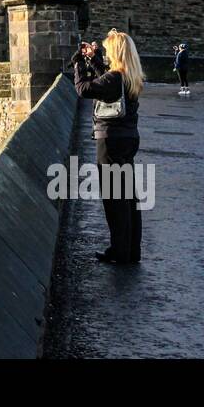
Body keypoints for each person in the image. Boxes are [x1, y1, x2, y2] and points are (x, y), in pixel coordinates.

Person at [69, 29, 145, 265]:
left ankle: (119, 252)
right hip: (128, 138)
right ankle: (131, 251)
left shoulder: (115, 79)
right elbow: (108, 86)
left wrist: (79, 64)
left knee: (114, 198)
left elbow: (84, 89)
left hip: (111, 140)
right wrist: (95, 61)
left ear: (116, 52)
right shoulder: (130, 76)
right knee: (128, 196)